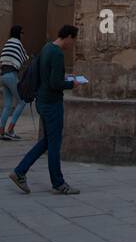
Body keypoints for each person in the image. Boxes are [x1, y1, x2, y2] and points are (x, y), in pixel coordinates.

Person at [9, 25, 82, 195]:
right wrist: (72, 83)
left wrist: (63, 78)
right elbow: (55, 83)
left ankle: (20, 172)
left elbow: (48, 76)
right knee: (54, 145)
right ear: (69, 37)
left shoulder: (47, 47)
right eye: (73, 40)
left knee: (46, 142)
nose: (73, 44)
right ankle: (58, 183)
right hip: (52, 103)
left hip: (42, 100)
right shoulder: (57, 54)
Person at [0, 25, 29, 140]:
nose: (23, 35)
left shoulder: (8, 43)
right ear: (19, 33)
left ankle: (1, 131)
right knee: (22, 101)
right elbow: (24, 58)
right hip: (11, 75)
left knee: (7, 105)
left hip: (3, 76)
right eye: (22, 33)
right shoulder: (18, 43)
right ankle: (10, 129)